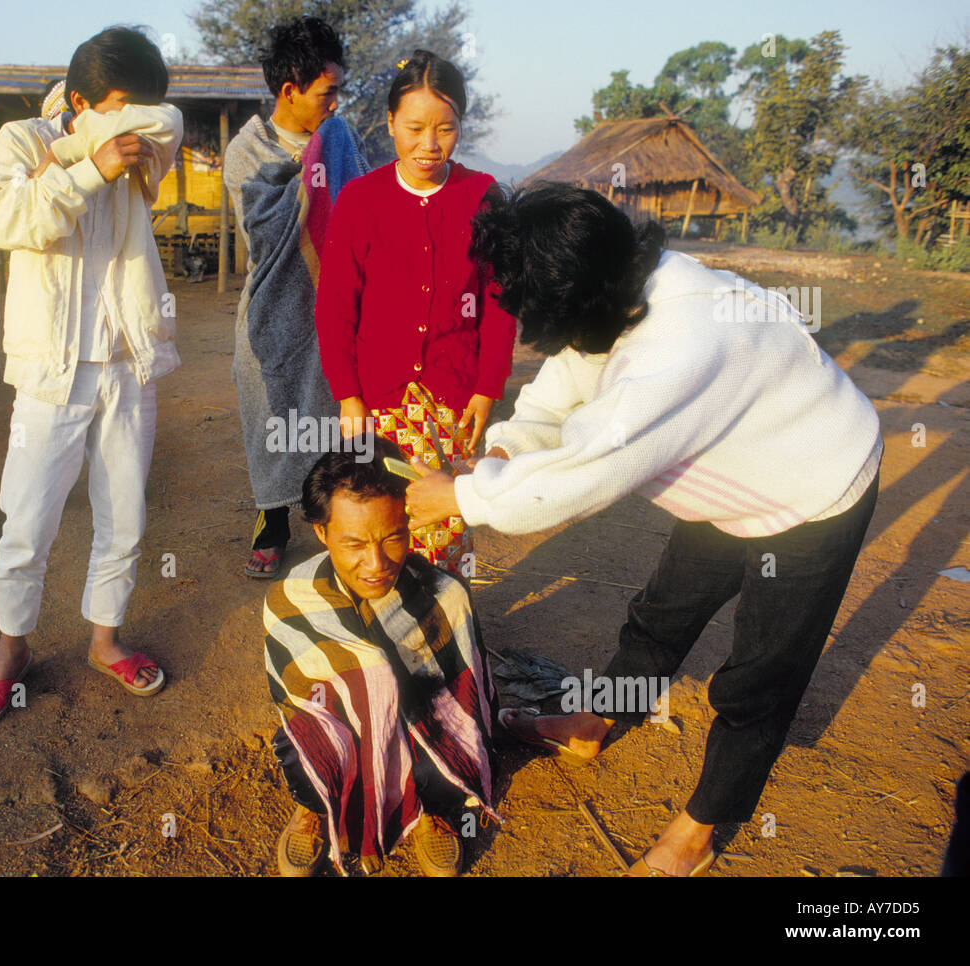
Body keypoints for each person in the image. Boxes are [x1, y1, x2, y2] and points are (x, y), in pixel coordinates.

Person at [406, 182, 882, 876]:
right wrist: (508, 446)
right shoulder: (619, 281)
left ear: (581, 295)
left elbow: (583, 474)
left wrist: (463, 495)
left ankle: (701, 827)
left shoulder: (681, 348)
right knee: (664, 613)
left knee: (760, 672)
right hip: (735, 467)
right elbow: (564, 381)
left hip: (815, 482)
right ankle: (599, 719)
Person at [0, 27, 182, 727]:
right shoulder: (22, 142)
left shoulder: (147, 137)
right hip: (49, 372)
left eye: (139, 110)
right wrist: (84, 166)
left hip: (127, 361)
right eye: (117, 108)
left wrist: (115, 138)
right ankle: (11, 650)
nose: (133, 124)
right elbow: (1, 219)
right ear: (79, 100)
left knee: (125, 516)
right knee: (27, 521)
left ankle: (104, 640)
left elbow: (170, 122)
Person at [315, 50, 516, 577]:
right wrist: (348, 395)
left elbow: (500, 302)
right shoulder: (360, 201)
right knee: (383, 521)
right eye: (414, 128)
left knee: (447, 520)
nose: (429, 145)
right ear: (389, 123)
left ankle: (447, 626)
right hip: (380, 397)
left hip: (455, 396)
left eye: (445, 129)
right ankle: (387, 637)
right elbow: (336, 306)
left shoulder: (482, 196)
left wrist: (487, 388)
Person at [265, 437, 497, 876]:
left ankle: (432, 808)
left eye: (392, 538)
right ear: (321, 532)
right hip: (339, 732)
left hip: (420, 725)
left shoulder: (444, 597)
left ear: (409, 526)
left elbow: (464, 698)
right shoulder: (291, 600)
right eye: (353, 544)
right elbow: (295, 702)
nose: (376, 563)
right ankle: (317, 805)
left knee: (442, 741)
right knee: (306, 740)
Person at [224, 16, 369, 579]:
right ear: (290, 90)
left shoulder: (340, 139)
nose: (334, 105)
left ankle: (343, 522)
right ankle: (272, 519)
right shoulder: (249, 148)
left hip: (334, 306)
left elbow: (362, 202)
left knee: (336, 418)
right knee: (271, 414)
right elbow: (262, 227)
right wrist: (310, 176)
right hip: (275, 308)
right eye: (326, 93)